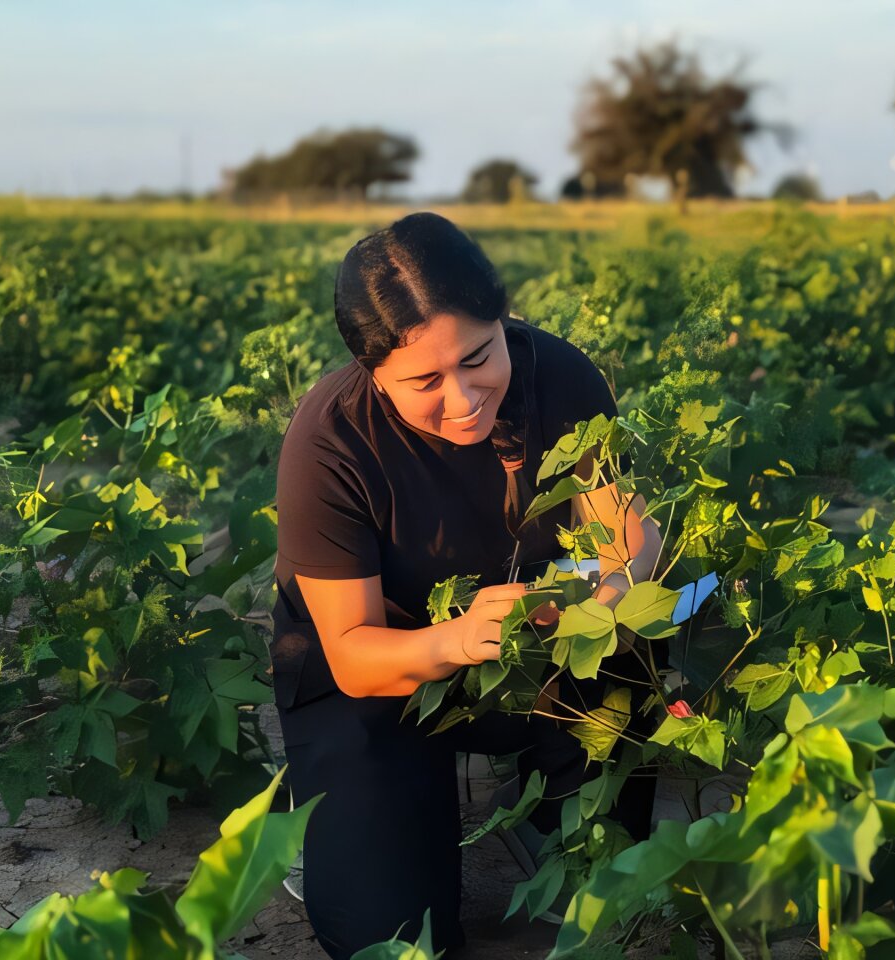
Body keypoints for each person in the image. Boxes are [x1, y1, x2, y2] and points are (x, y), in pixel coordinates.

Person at [270, 212, 664, 959]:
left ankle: (543, 816)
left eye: (480, 357)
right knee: (394, 940)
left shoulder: (563, 376)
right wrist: (454, 638)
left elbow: (631, 537)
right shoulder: (329, 439)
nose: (463, 398)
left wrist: (604, 604)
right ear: (372, 372)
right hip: (378, 680)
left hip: (529, 657)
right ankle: (327, 821)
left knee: (601, 882)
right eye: (423, 381)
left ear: (503, 321)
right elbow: (353, 653)